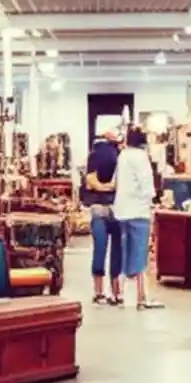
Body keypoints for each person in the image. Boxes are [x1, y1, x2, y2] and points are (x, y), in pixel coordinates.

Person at [113, 127, 163, 310]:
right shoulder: (141, 157)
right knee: (140, 256)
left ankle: (119, 295)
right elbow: (146, 183)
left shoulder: (123, 156)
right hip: (138, 211)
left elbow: (118, 182)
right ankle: (141, 298)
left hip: (122, 211)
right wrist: (153, 199)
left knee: (125, 253)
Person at [82, 131, 122, 305]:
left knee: (99, 249)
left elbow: (91, 181)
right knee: (117, 251)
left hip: (98, 208)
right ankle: (116, 293)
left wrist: (102, 188)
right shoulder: (120, 157)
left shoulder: (93, 156)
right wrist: (112, 187)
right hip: (118, 207)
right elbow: (123, 183)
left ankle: (98, 292)